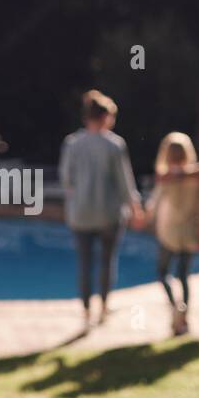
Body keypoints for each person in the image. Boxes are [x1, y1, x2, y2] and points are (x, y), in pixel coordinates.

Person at [58, 90, 144, 329]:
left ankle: (86, 310)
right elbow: (125, 182)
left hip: (81, 215)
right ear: (106, 117)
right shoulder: (114, 145)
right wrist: (136, 209)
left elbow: (66, 180)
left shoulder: (72, 144)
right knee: (108, 262)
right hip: (110, 215)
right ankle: (104, 307)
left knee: (85, 263)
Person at [145, 132, 199, 336]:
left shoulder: (165, 177)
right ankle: (184, 315)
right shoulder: (196, 176)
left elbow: (154, 203)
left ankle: (175, 307)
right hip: (189, 231)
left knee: (163, 273)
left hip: (169, 231)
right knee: (184, 276)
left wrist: (144, 218)